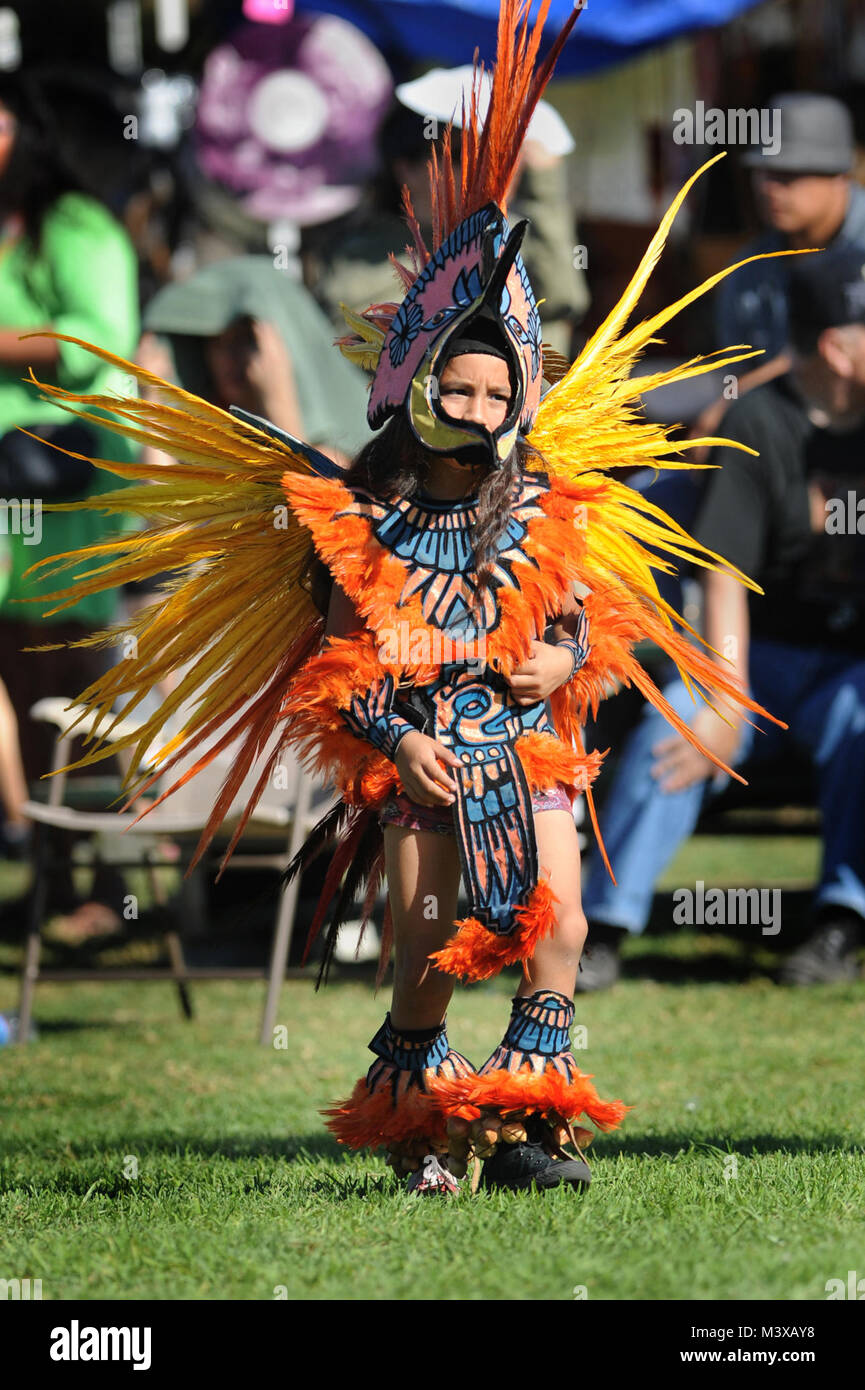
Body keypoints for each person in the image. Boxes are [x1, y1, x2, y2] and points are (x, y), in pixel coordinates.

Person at [21, 2, 779, 1193]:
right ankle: (420, 1112)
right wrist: (403, 740)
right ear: (416, 387)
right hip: (419, 749)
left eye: (497, 396)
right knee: (426, 946)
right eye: (459, 391)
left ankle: (532, 1121)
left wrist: (558, 667)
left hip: (530, 743)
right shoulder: (352, 520)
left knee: (561, 924)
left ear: (523, 398)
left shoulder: (553, 510)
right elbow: (338, 666)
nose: (477, 415)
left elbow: (578, 624)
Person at [581, 241, 865, 990]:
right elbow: (721, 571)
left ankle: (841, 922)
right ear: (836, 348)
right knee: (674, 729)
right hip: (757, 654)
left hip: (851, 668)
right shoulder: (760, 424)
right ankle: (603, 927)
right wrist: (722, 699)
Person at [692, 93, 865, 451]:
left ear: (839, 175)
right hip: (785, 438)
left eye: (788, 175)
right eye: (764, 173)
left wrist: (736, 399)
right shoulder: (748, 270)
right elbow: (733, 373)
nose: (770, 188)